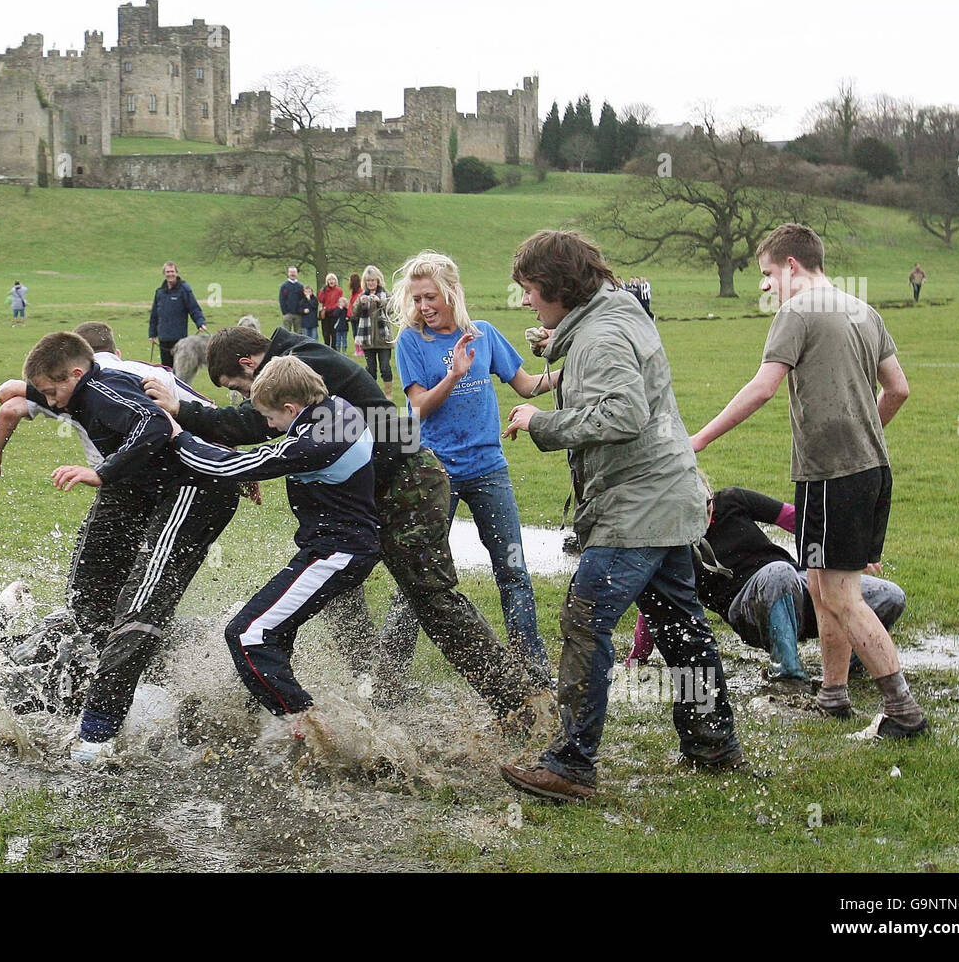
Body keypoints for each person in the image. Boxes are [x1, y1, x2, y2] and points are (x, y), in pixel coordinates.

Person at [142, 326, 548, 729]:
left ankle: (514, 701)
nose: (246, 398)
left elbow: (254, 423)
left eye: (239, 387)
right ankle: (368, 690)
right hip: (373, 487)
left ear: (250, 364)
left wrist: (183, 413)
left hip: (407, 484)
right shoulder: (294, 364)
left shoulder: (302, 362)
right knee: (334, 597)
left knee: (432, 600)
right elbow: (266, 424)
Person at [499, 229, 743, 803]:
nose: (528, 300)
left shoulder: (602, 333)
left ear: (560, 287)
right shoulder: (613, 310)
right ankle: (713, 743)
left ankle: (571, 763)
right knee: (681, 628)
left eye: (532, 290)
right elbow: (601, 362)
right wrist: (557, 345)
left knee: (587, 621)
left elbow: (623, 412)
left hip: (637, 504)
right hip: (666, 496)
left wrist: (542, 423)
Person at [690, 222, 925, 739]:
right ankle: (833, 695)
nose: (765, 287)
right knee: (819, 584)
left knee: (842, 596)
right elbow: (899, 389)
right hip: (871, 469)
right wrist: (866, 437)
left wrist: (699, 440)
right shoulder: (864, 310)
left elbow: (763, 388)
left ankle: (903, 712)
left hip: (830, 475)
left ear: (791, 266)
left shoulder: (796, 313)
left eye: (768, 275)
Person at [0, 322, 226, 716]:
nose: (52, 404)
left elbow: (156, 423)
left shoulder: (111, 386)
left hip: (177, 483)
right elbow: (11, 400)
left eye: (54, 394)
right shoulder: (73, 386)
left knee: (140, 594)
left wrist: (102, 472)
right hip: (132, 482)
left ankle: (131, 688)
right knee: (88, 586)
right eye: (45, 395)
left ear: (79, 370)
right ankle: (95, 669)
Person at [169, 357, 380, 734]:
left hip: (337, 553)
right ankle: (268, 714)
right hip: (337, 547)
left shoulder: (315, 442)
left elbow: (224, 468)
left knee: (248, 634)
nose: (268, 427)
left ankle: (308, 727)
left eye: (270, 418)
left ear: (291, 408)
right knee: (272, 632)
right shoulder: (338, 408)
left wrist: (177, 435)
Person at [383, 250, 559, 685]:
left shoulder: (485, 335)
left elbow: (527, 384)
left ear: (451, 292)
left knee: (513, 570)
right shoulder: (412, 342)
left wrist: (570, 366)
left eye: (431, 297)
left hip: (488, 469)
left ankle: (531, 668)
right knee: (420, 574)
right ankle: (389, 673)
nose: (424, 306)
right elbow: (418, 408)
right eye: (417, 298)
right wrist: (454, 375)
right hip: (434, 473)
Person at [627, 474, 907, 690]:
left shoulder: (733, 500)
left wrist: (851, 547)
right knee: (778, 573)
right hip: (748, 609)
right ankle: (787, 675)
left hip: (795, 586)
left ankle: (850, 665)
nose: (706, 514)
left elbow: (796, 518)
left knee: (890, 595)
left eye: (708, 504)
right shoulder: (673, 545)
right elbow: (655, 604)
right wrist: (638, 657)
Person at [148, 261, 207, 369]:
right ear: (164, 273)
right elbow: (154, 315)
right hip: (164, 338)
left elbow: (194, 308)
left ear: (176, 272)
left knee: (179, 369)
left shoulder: (184, 290)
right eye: (167, 272)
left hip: (179, 338)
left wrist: (200, 322)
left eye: (172, 271)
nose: (170, 274)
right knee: (166, 369)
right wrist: (152, 334)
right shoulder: (160, 292)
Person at [353, 265, 395, 398]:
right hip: (367, 340)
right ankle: (374, 394)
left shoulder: (386, 294)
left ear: (378, 281)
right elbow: (355, 313)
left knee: (385, 368)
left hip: (383, 339)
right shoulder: (362, 296)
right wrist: (360, 303)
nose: (371, 283)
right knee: (371, 369)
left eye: (373, 280)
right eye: (368, 281)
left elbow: (392, 308)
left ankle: (388, 394)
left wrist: (380, 302)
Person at [317, 273, 343, 347]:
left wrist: (332, 308)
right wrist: (322, 291)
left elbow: (339, 301)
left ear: (336, 281)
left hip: (334, 313)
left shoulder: (339, 290)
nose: (331, 281)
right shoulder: (325, 290)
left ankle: (334, 348)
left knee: (334, 333)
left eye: (333, 279)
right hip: (325, 314)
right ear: (327, 281)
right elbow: (320, 300)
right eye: (329, 280)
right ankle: (327, 347)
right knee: (326, 333)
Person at [279, 266, 303, 332]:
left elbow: (303, 300)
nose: (292, 274)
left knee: (299, 333)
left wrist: (300, 311)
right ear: (288, 273)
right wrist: (285, 312)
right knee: (286, 333)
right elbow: (282, 300)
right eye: (291, 272)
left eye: (294, 272)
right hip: (287, 314)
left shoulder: (300, 286)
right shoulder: (284, 286)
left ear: (297, 273)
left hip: (298, 315)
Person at [347, 271, 364, 354]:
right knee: (355, 333)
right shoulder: (353, 292)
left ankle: (361, 349)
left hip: (357, 316)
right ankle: (357, 349)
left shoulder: (360, 292)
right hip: (352, 316)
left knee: (358, 333)